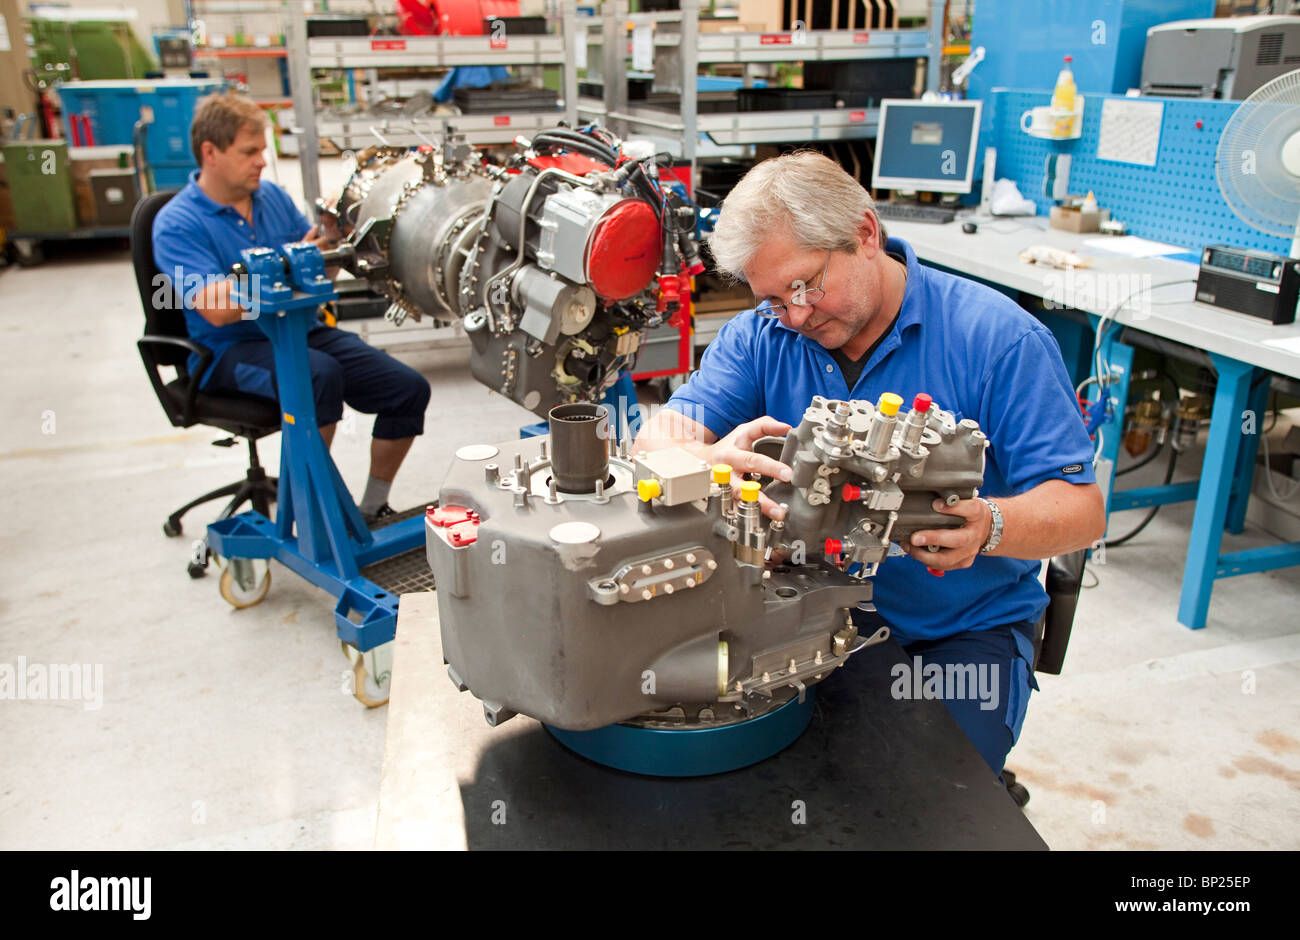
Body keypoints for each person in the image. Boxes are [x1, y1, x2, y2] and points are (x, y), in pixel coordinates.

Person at [634, 151, 1106, 792]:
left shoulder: (999, 340)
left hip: (952, 637)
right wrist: (693, 458)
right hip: (791, 616)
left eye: (805, 287)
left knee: (925, 803)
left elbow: (1081, 512)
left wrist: (989, 527)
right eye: (772, 298)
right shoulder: (760, 338)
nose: (794, 315)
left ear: (864, 233)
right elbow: (658, 437)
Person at [152, 92, 430, 523]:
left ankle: (373, 506)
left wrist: (331, 246)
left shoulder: (272, 198)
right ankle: (304, 515)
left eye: (262, 150)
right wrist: (290, 265)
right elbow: (217, 310)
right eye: (249, 152)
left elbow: (321, 272)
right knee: (320, 376)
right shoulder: (177, 222)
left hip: (300, 330)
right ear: (210, 153)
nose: (262, 161)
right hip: (228, 351)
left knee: (407, 389)